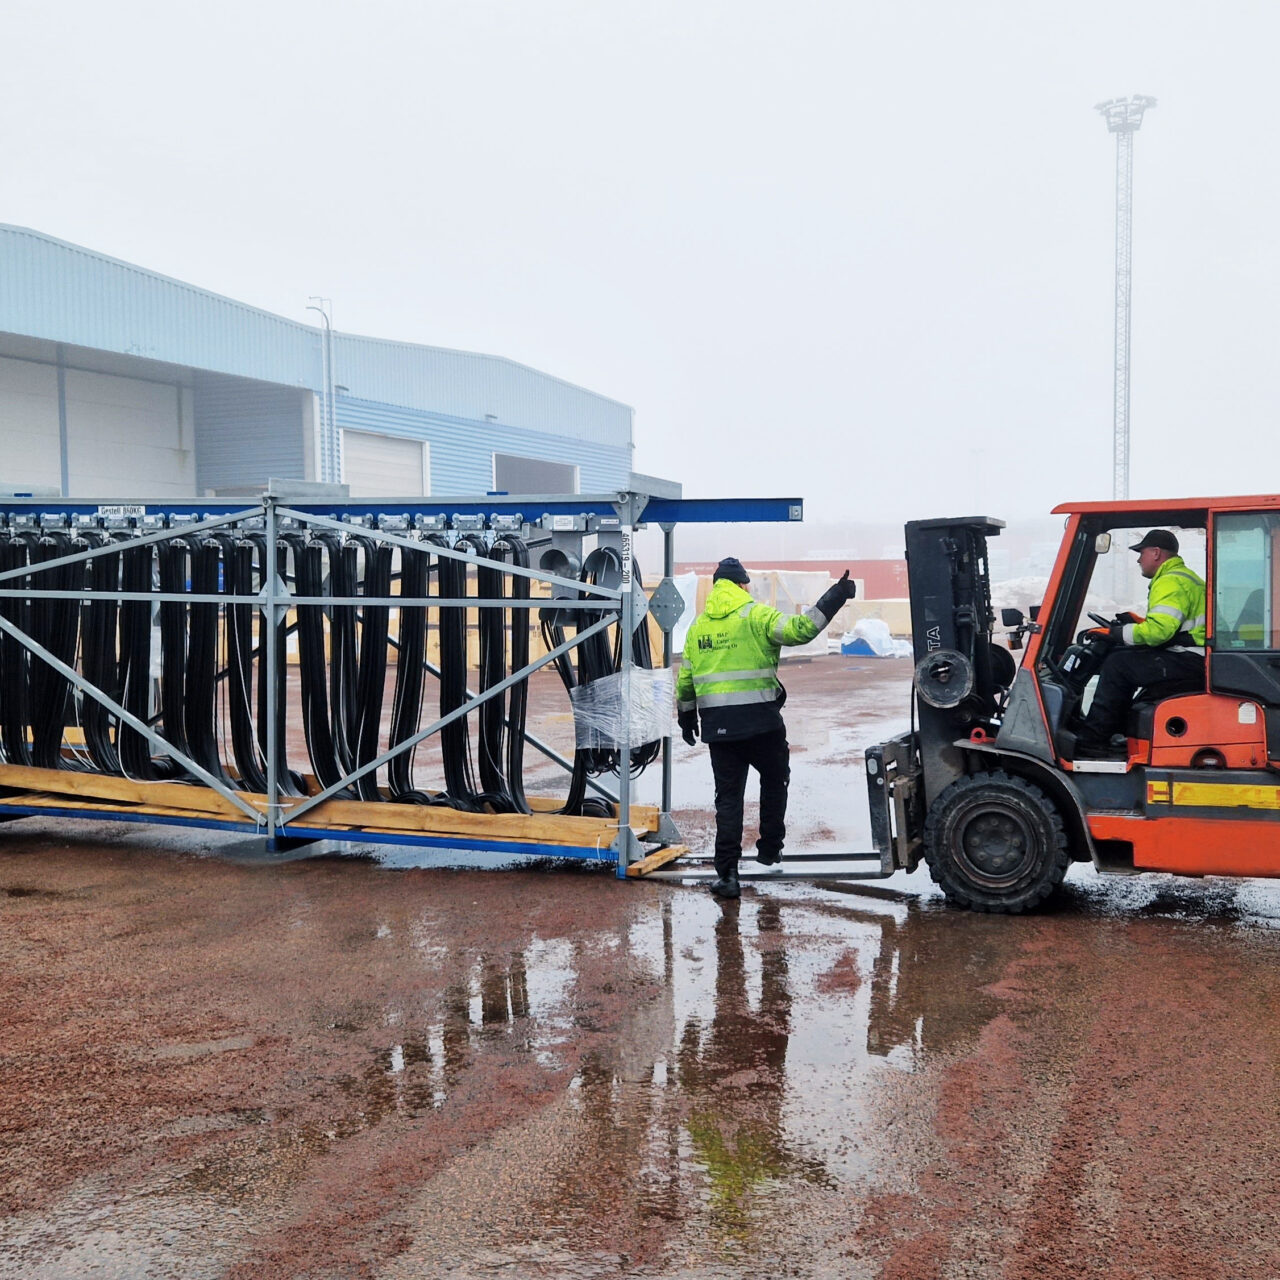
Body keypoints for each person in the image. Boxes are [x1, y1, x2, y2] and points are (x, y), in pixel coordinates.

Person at [676, 557, 857, 898]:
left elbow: (686, 679)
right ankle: (770, 847)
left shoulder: (699, 627)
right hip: (762, 724)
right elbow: (801, 631)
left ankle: (728, 877)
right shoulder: (756, 615)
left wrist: (687, 717)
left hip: (719, 730)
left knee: (728, 800)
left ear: (717, 587)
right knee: (775, 780)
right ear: (743, 585)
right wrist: (836, 595)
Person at [1073, 529, 1206, 759]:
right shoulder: (1185, 577)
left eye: (1141, 553)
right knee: (1126, 657)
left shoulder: (1170, 581)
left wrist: (1114, 634)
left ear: (1156, 553)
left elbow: (1158, 633)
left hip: (1188, 658)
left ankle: (1093, 740)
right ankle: (1118, 730)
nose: (1138, 559)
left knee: (1118, 664)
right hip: (1194, 654)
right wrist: (1138, 622)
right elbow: (1174, 625)